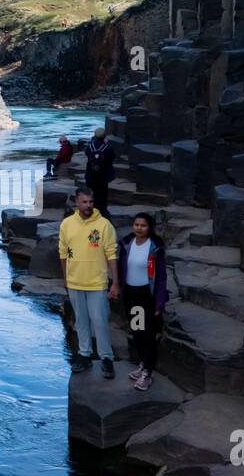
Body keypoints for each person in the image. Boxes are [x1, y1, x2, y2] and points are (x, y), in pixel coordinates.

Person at [59, 186, 119, 378]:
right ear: (76, 202)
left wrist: (115, 282)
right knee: (81, 322)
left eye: (91, 202)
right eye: (84, 202)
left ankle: (106, 359)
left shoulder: (104, 225)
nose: (88, 206)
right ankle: (84, 356)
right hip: (75, 281)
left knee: (100, 321)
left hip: (96, 283)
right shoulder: (67, 224)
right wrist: (65, 279)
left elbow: (111, 254)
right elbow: (63, 254)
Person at [117, 212, 169, 392]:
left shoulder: (154, 247)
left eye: (143, 225)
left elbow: (161, 277)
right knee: (137, 331)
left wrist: (159, 302)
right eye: (136, 224)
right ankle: (142, 364)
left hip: (146, 296)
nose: (139, 228)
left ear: (149, 228)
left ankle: (148, 372)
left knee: (148, 335)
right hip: (131, 295)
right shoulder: (127, 244)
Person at [84, 127, 115, 218]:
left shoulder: (90, 146)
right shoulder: (108, 147)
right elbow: (112, 158)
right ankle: (102, 213)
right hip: (103, 176)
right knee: (102, 196)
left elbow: (87, 154)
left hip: (90, 175)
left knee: (90, 195)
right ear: (104, 136)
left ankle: (90, 212)